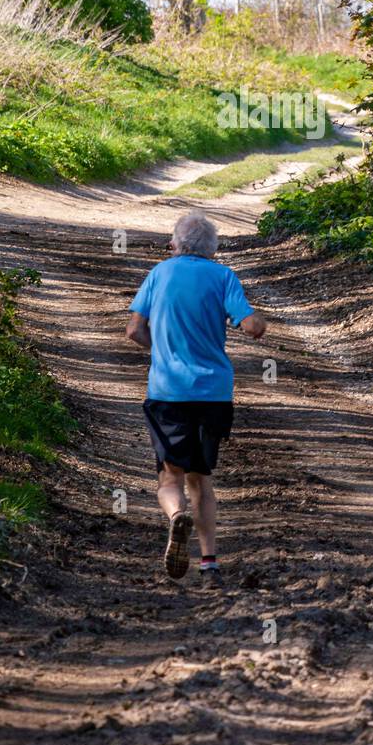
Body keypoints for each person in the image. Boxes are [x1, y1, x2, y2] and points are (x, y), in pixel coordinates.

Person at [127, 212, 267, 586]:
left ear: (175, 244)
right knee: (201, 480)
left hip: (167, 391)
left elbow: (133, 330)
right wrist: (258, 323)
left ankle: (176, 518)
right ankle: (209, 562)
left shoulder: (159, 274)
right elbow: (252, 327)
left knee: (170, 475)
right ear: (212, 248)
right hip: (213, 393)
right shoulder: (223, 277)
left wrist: (162, 353)